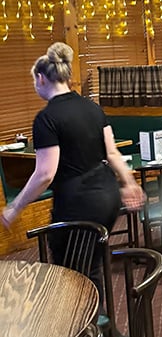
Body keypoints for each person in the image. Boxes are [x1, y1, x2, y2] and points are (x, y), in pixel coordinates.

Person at [0, 41, 145, 296]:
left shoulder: (46, 119)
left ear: (41, 78)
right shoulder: (92, 107)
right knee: (92, 265)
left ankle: (87, 329)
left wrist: (15, 207)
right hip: (106, 197)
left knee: (73, 274)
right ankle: (100, 325)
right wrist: (129, 182)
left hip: (79, 203)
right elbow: (112, 153)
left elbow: (45, 173)